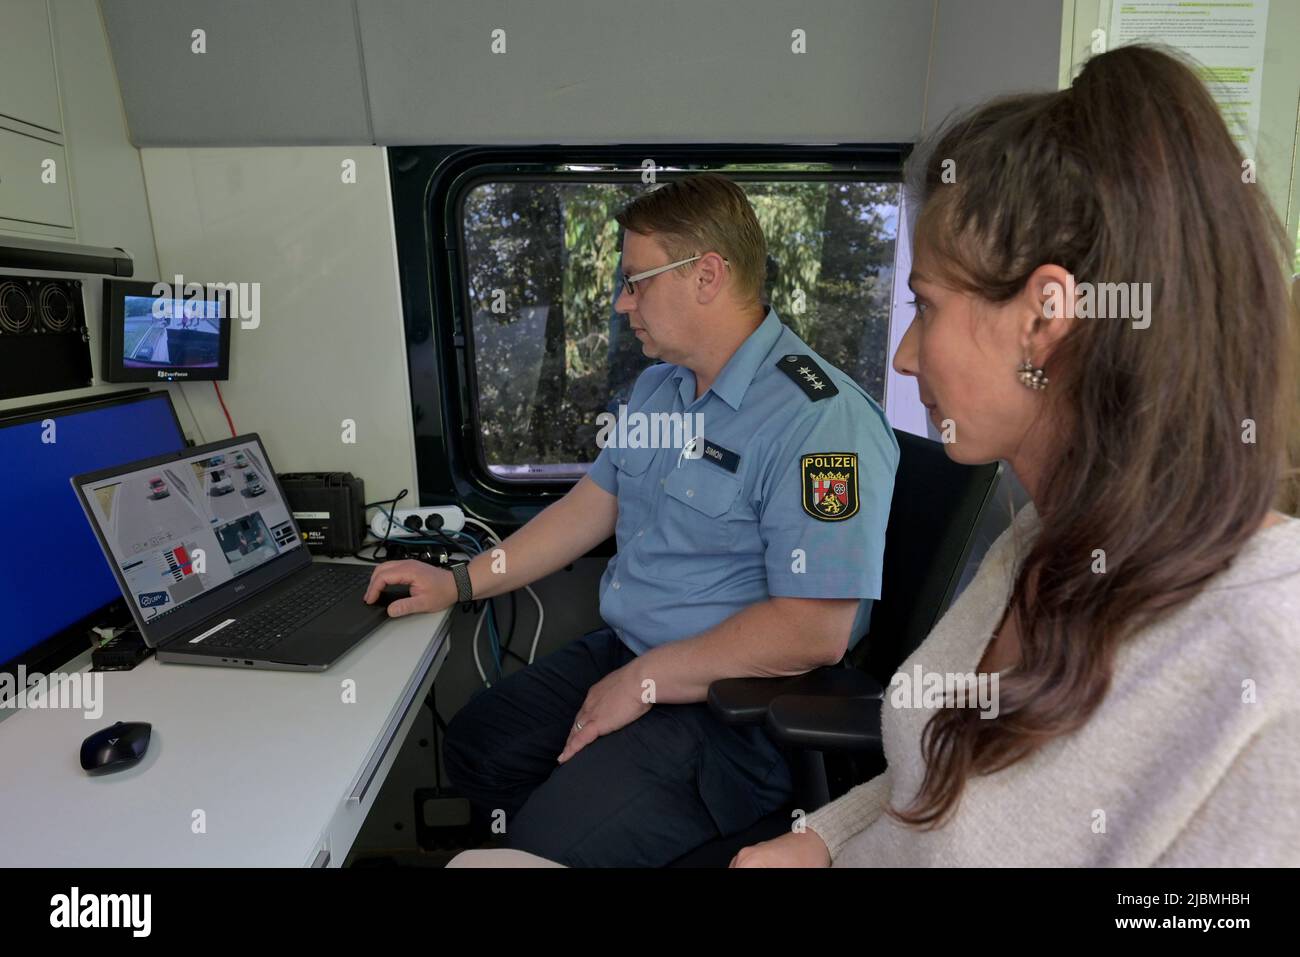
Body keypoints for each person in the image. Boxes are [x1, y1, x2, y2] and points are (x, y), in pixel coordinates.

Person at [731, 44, 1300, 868]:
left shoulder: (1266, 652)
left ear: (1042, 317)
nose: (904, 358)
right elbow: (938, 781)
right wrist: (820, 839)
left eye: (926, 307)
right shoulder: (1039, 540)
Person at [364, 173, 898, 866]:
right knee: (476, 745)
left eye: (637, 281)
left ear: (707, 276)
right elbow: (591, 505)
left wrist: (647, 681)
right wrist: (460, 582)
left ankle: (562, 840)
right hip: (629, 651)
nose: (622, 303)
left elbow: (813, 629)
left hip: (737, 709)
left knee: (542, 841)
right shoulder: (660, 386)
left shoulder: (821, 420)